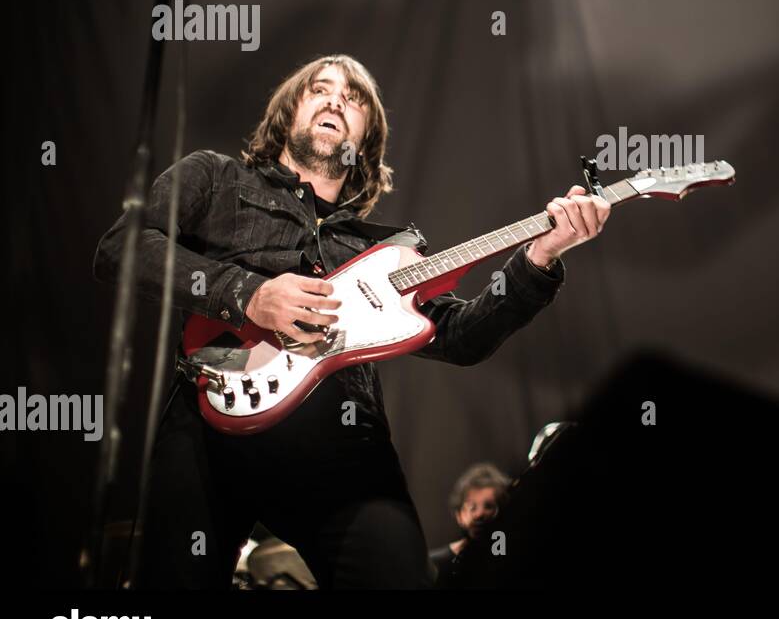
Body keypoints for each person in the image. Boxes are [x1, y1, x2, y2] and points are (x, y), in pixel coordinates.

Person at [92, 54, 611, 588]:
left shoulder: (385, 251)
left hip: (341, 440)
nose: (336, 99)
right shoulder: (215, 178)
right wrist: (248, 294)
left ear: (363, 142)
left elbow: (462, 337)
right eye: (319, 88)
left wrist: (541, 256)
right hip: (211, 418)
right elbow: (123, 247)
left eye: (355, 98)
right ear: (289, 113)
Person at [427, 463, 510, 586]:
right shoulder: (434, 564)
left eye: (489, 506)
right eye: (472, 507)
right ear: (459, 515)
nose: (479, 514)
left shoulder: (510, 559)